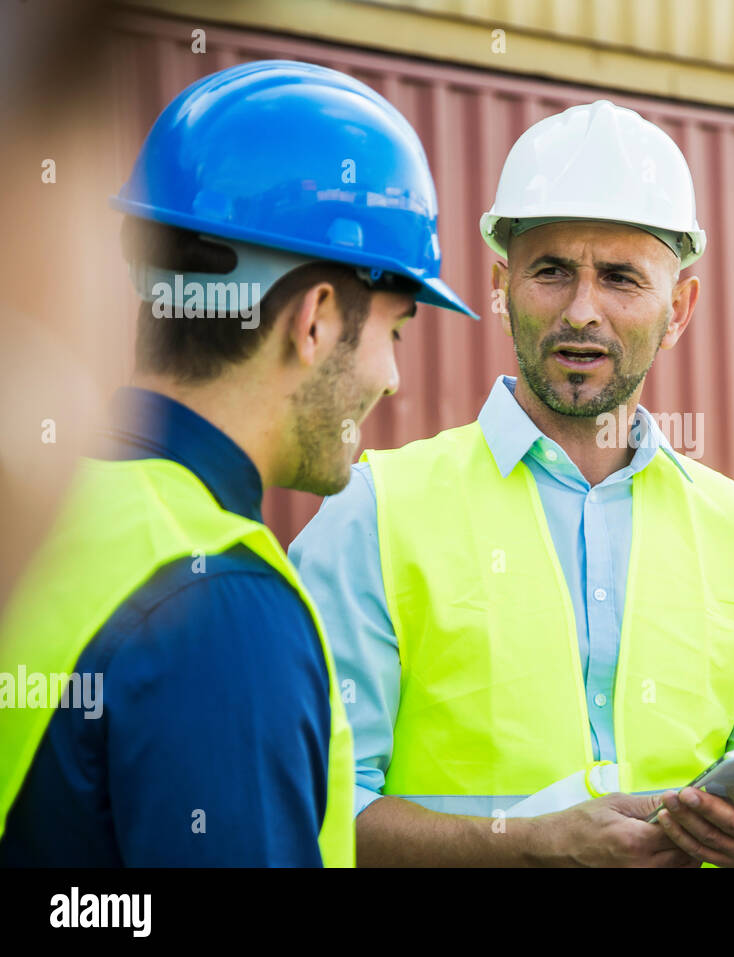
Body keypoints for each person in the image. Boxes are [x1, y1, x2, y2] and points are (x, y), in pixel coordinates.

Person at [291, 99, 734, 867]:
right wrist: (524, 848)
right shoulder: (375, 512)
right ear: (501, 284)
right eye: (552, 271)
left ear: (679, 308)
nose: (582, 312)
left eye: (621, 278)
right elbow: (309, 811)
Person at [0, 60, 475, 866]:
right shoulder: (222, 600)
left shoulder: (42, 513)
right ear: (317, 319)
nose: (394, 380)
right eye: (394, 332)